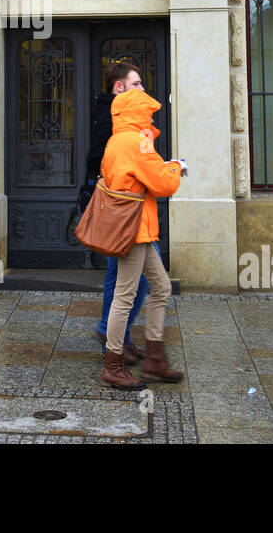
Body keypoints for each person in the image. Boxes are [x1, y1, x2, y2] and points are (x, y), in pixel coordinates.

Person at [99, 87, 184, 390]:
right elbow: (162, 183)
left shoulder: (114, 141)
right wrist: (176, 166)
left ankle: (154, 359)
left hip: (136, 229)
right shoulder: (138, 143)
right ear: (137, 113)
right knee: (125, 296)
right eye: (147, 112)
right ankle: (114, 366)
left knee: (160, 287)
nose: (150, 115)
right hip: (135, 230)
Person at [80, 63, 150, 365]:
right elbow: (95, 159)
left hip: (125, 207)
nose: (142, 90)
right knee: (136, 278)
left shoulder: (119, 114)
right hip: (120, 207)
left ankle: (115, 338)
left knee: (120, 274)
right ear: (119, 87)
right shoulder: (113, 116)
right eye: (135, 84)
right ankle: (112, 338)